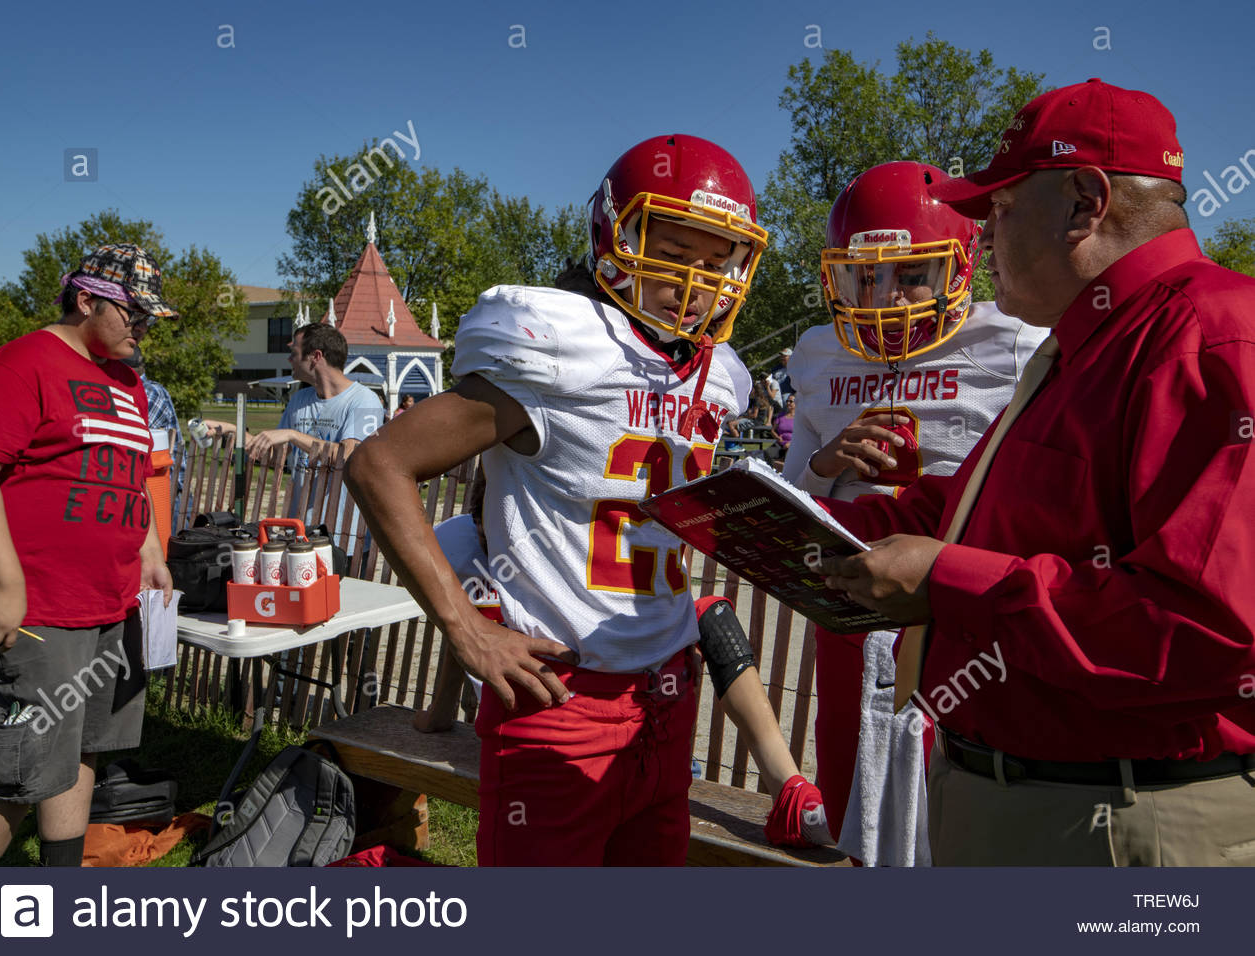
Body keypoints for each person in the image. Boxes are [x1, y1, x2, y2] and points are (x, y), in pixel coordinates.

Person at [346, 134, 824, 864]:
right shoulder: (559, 342)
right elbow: (380, 464)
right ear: (616, 236)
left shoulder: (720, 372)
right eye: (672, 251)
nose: (694, 282)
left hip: (667, 696)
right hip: (560, 696)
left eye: (715, 261)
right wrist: (468, 631)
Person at [814, 79, 1255, 866]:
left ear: (1086, 202)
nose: (983, 239)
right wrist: (799, 526)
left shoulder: (1216, 334)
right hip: (1032, 801)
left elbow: (1206, 630)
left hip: (1126, 818)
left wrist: (950, 579)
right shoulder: (1090, 340)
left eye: (1001, 211)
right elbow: (991, 514)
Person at [781, 161, 1044, 864]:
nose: (884, 296)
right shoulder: (818, 354)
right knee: (857, 822)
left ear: (959, 269)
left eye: (909, 274)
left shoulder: (1017, 345)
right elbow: (790, 501)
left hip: (961, 623)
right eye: (863, 277)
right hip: (851, 617)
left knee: (956, 827)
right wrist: (827, 462)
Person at [0, 243, 176, 867]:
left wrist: (150, 550)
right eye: (135, 314)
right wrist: (5, 584)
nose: (143, 329)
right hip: (38, 607)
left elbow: (131, 477)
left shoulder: (128, 381)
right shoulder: (20, 364)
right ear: (87, 300)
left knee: (82, 749)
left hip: (110, 602)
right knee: (15, 770)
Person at [204, 323, 383, 539]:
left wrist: (292, 434)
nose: (289, 360)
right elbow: (272, 456)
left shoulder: (365, 400)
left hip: (344, 536)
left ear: (315, 356)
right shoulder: (299, 400)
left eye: (294, 353)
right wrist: (231, 430)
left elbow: (349, 456)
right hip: (299, 532)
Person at [122, 346, 186, 530]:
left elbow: (131, 437)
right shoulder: (141, 390)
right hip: (155, 486)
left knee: (165, 552)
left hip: (166, 489)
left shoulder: (147, 392)